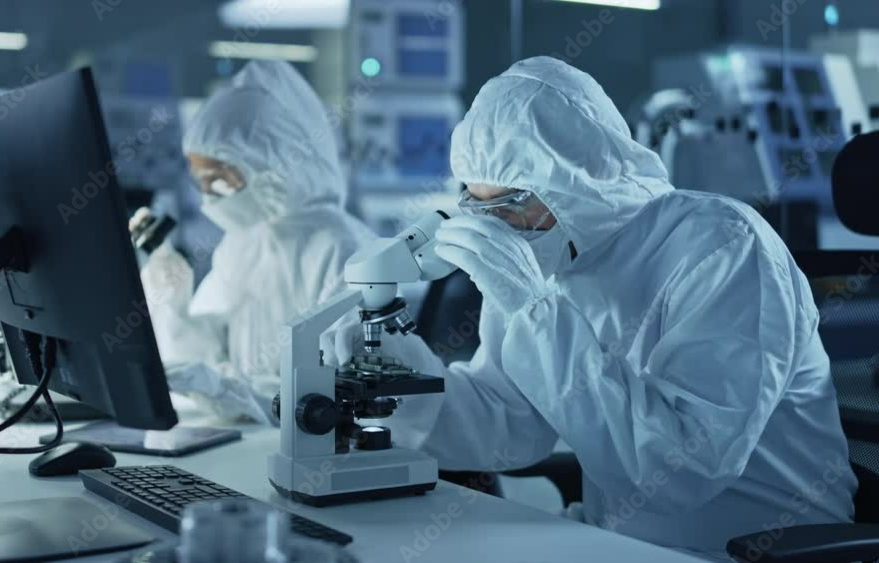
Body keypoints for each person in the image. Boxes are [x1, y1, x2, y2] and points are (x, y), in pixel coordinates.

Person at [321, 56, 857, 560]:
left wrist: (536, 311)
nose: (496, 226)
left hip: (747, 547)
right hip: (623, 544)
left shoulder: (724, 248)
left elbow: (681, 470)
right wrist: (404, 383)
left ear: (579, 184)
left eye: (512, 202)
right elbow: (510, 420)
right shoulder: (543, 259)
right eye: (479, 206)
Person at [143, 60, 373, 424]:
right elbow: (207, 358)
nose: (207, 198)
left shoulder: (343, 251)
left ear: (276, 166)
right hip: (245, 442)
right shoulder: (242, 243)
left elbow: (337, 401)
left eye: (217, 180)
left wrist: (226, 393)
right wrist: (174, 305)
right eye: (199, 181)